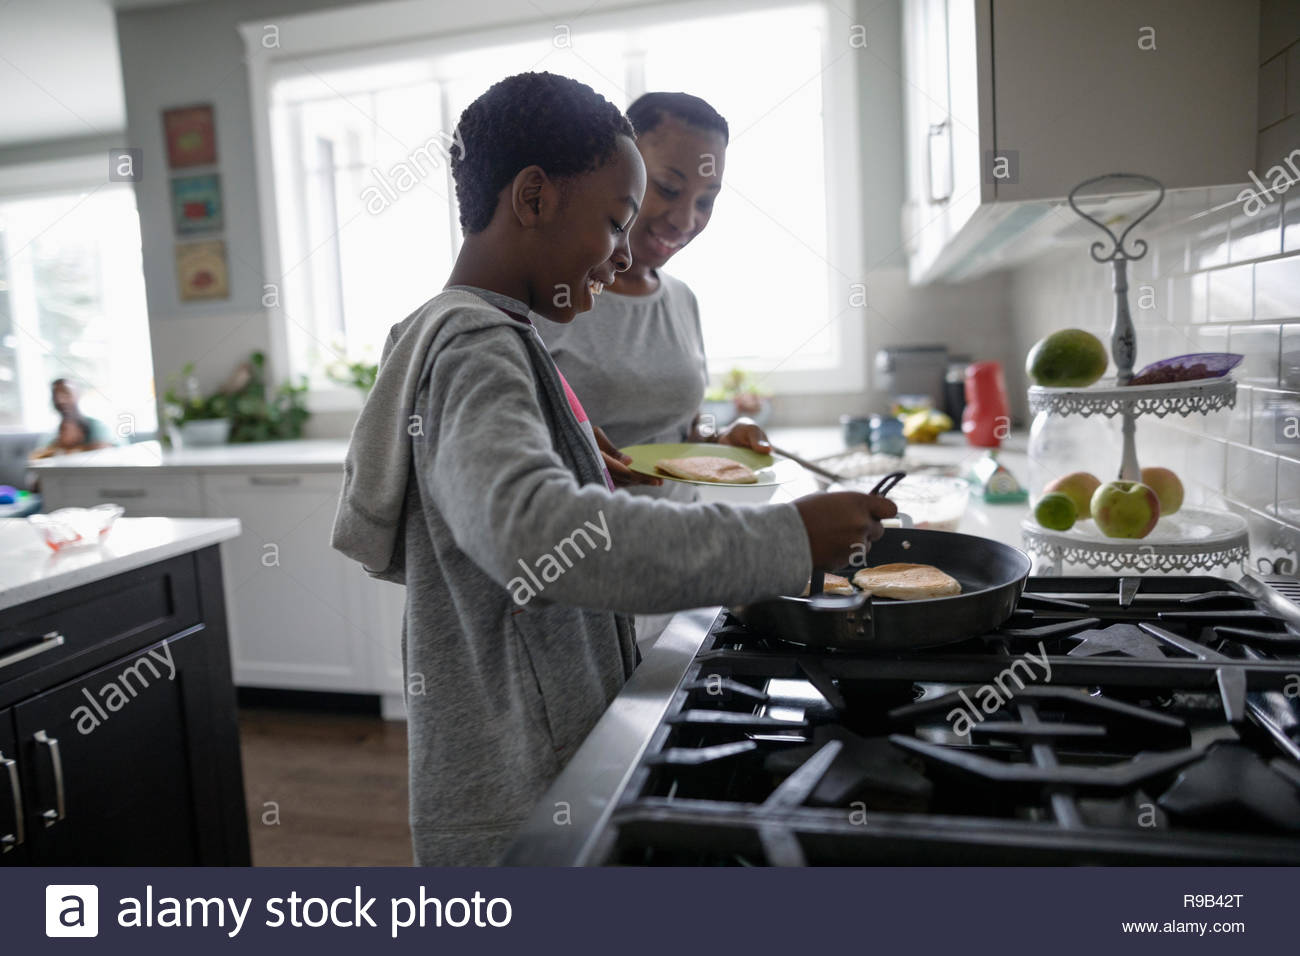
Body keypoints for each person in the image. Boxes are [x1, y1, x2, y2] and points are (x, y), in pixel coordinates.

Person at [331, 71, 895, 866]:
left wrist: (581, 455)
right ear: (533, 198)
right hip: (514, 794)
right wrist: (788, 540)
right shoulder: (474, 348)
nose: (628, 253)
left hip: (545, 755)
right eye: (615, 221)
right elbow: (536, 533)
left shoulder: (494, 335)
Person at [538, 92, 766, 482]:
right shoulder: (546, 298)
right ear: (621, 172)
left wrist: (718, 442)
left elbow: (677, 432)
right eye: (668, 189)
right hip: (582, 538)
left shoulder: (681, 299)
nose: (685, 220)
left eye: (706, 201)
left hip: (683, 534)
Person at [29, 379, 115, 458]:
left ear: (78, 395)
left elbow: (105, 451)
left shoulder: (98, 426)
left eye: (66, 393)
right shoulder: (53, 434)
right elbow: (36, 457)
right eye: (55, 395)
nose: (60, 400)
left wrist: (68, 449)